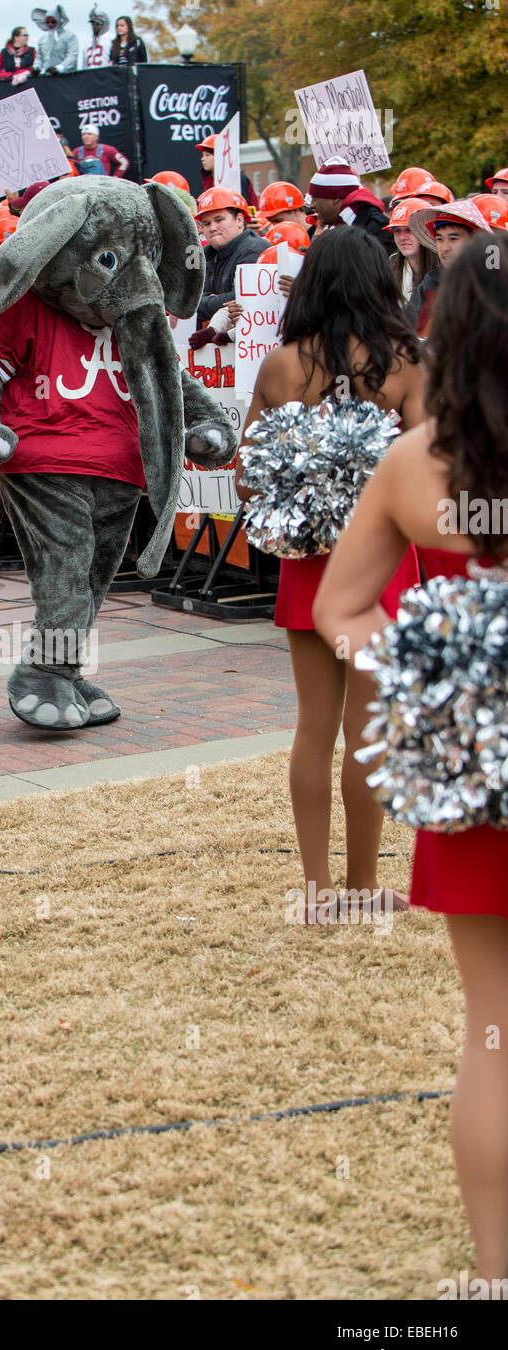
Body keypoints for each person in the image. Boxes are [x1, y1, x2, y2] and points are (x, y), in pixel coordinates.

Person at [312, 233, 508, 1283]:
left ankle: (495, 1272)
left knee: (495, 1028)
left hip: (471, 778)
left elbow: (343, 608)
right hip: (470, 772)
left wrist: (438, 674)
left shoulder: (415, 461)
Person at [234, 227, 426, 922]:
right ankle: (358, 889)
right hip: (380, 565)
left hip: (307, 561)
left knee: (312, 726)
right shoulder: (403, 361)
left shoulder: (282, 364)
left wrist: (306, 495)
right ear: (380, 282)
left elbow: (247, 480)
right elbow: (427, 468)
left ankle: (315, 894)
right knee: (367, 727)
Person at [188, 186, 269, 347]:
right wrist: (210, 301)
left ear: (239, 220)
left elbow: (241, 301)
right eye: (206, 223)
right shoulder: (201, 254)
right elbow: (188, 296)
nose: (212, 227)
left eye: (219, 220)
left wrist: (204, 302)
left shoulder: (254, 249)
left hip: (249, 347)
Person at [406, 198, 490, 336]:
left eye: (453, 239)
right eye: (439, 239)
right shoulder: (431, 282)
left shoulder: (492, 283)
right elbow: (410, 330)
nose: (445, 248)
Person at [308, 157, 394, 250]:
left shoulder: (378, 229)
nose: (311, 205)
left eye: (315, 199)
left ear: (335, 198)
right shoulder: (332, 228)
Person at [387, 196, 437, 301]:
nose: (402, 237)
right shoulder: (390, 265)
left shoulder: (443, 268)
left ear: (427, 232)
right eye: (397, 230)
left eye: (409, 230)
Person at [195, 134, 256, 205]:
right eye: (203, 155)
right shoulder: (208, 178)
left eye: (207, 155)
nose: (203, 159)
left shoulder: (237, 178)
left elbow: (243, 206)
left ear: (219, 156)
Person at [33, 7, 79, 74]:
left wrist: (59, 68)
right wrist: (36, 67)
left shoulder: (69, 35)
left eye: (53, 22)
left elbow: (72, 56)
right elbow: (39, 57)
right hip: (46, 77)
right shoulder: (42, 40)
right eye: (47, 22)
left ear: (58, 21)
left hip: (65, 78)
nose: (50, 24)